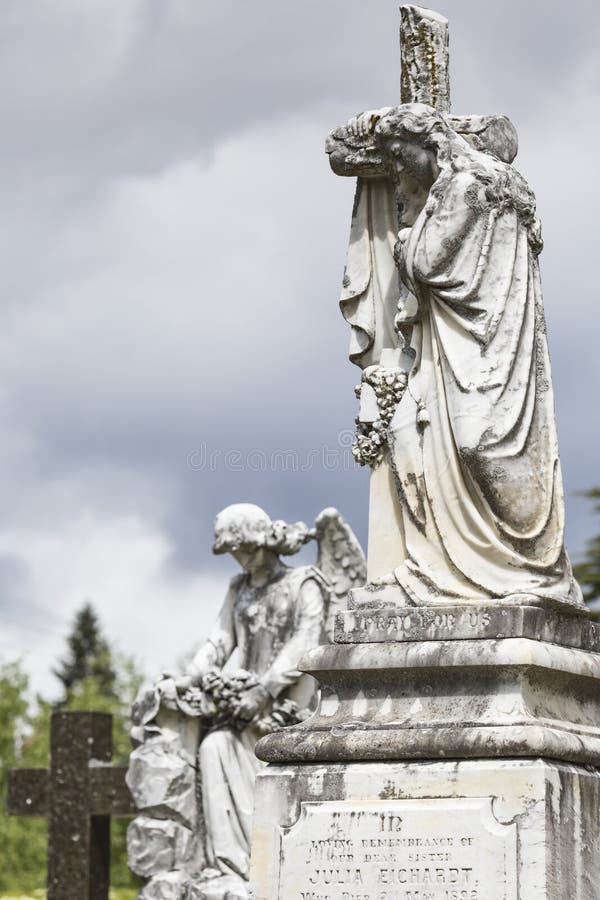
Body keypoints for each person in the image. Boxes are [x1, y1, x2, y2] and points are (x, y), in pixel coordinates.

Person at [329, 103, 582, 607]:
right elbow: (339, 149)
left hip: (484, 346)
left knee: (478, 445)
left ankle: (526, 574)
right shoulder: (471, 179)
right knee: (407, 436)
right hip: (448, 344)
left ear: (431, 145)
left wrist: (404, 236)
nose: (397, 172)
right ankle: (429, 573)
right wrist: (375, 123)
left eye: (401, 159)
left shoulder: (468, 184)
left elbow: (425, 260)